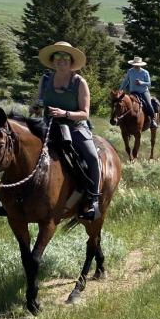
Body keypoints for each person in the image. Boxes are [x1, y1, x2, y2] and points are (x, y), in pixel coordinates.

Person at [34, 41, 101, 221]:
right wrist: (36, 108)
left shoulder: (79, 82)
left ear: (71, 61)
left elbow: (85, 114)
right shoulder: (46, 79)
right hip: (48, 125)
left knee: (92, 157)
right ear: (52, 60)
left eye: (65, 57)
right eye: (57, 57)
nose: (61, 60)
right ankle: (5, 196)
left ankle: (93, 199)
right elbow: (39, 101)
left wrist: (65, 113)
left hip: (75, 127)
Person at [119, 56, 157, 129]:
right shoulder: (130, 71)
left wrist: (141, 83)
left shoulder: (145, 72)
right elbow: (126, 81)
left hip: (143, 92)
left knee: (149, 104)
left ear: (140, 65)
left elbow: (149, 83)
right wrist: (121, 89)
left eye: (137, 64)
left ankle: (153, 120)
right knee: (124, 104)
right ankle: (121, 120)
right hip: (133, 92)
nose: (136, 66)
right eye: (135, 64)